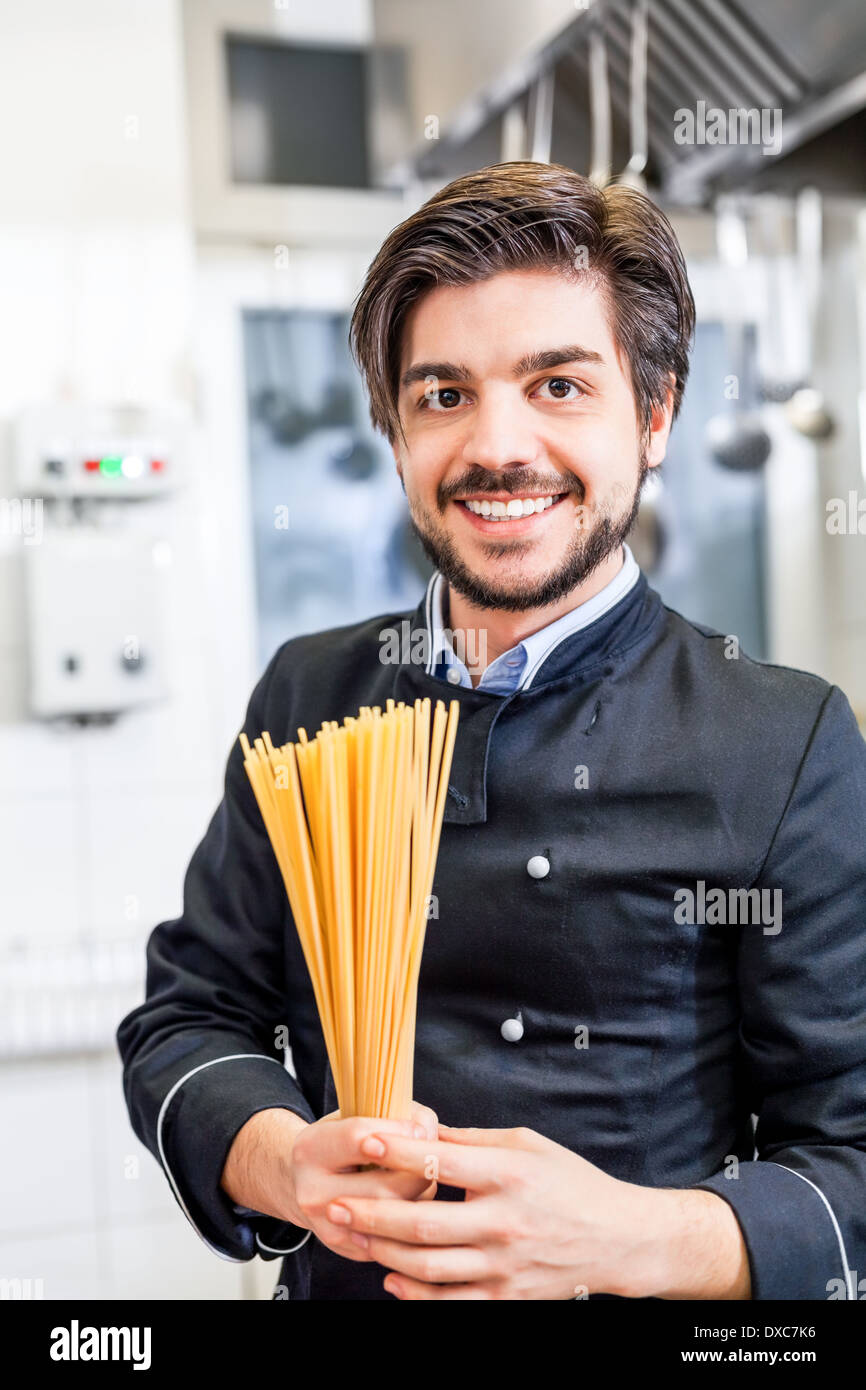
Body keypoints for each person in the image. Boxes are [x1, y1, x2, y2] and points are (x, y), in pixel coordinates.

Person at [117, 162, 866, 1301]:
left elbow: (850, 1153)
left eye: (558, 384)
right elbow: (189, 1017)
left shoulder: (783, 738)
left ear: (653, 413)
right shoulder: (309, 695)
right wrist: (288, 1165)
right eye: (442, 394)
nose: (495, 448)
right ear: (396, 429)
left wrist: (633, 1238)